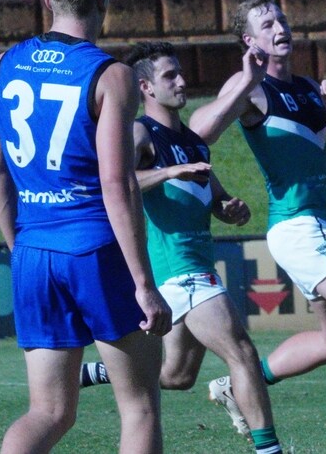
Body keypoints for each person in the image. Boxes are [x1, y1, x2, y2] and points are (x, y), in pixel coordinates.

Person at [187, 0, 326, 452]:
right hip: (299, 227)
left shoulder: (307, 88)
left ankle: (241, 384)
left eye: (281, 19)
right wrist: (242, 83)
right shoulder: (252, 87)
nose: (279, 28)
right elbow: (198, 134)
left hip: (321, 225)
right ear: (249, 41)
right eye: (266, 24)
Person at [0, 0, 172, 453]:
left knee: (48, 412)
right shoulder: (111, 75)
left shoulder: (5, 64)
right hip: (94, 248)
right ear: (104, 0)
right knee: (139, 406)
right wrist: (144, 284)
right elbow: (118, 183)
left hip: (34, 250)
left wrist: (20, 247)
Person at [77, 42, 282, 453]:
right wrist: (169, 172)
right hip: (177, 269)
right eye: (170, 75)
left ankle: (99, 372)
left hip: (192, 269)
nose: (182, 81)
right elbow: (114, 183)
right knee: (242, 353)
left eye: (180, 73)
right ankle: (269, 449)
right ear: (146, 88)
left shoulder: (192, 141)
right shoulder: (140, 132)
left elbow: (213, 196)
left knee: (177, 375)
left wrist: (230, 208)